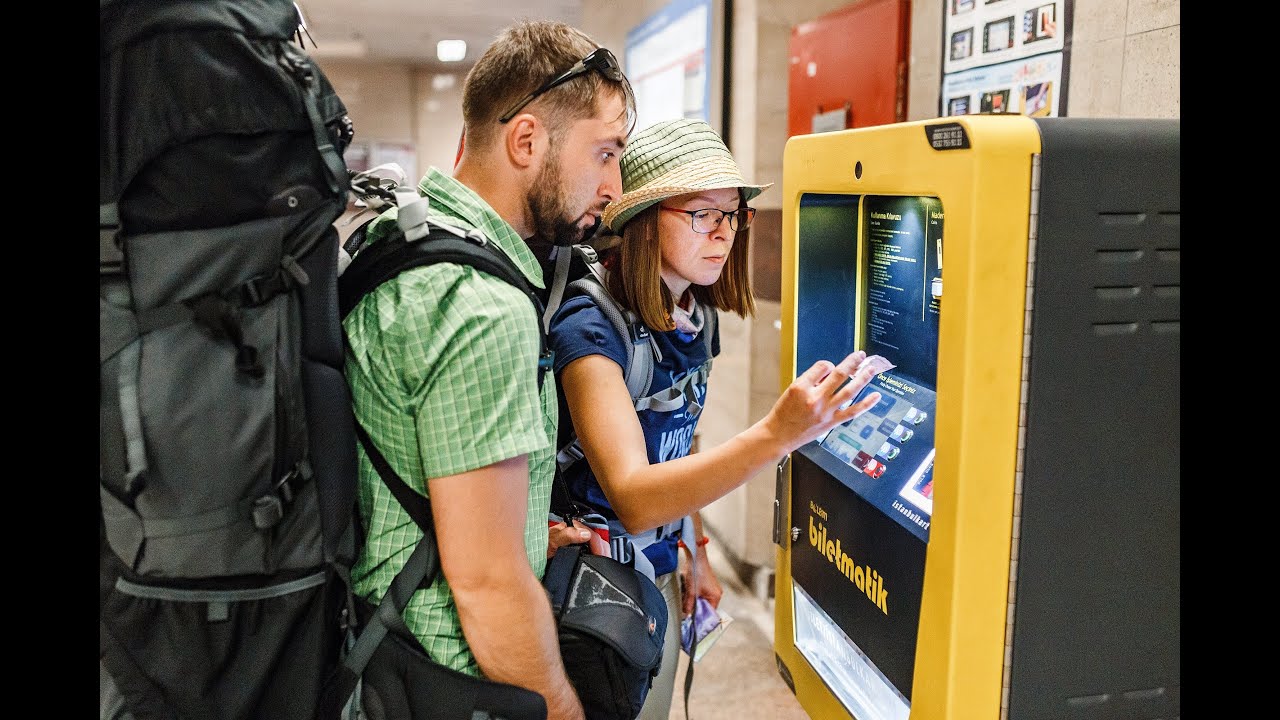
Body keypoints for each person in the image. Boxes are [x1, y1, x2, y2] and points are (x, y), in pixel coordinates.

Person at [342, 20, 635, 720]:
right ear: (527, 140)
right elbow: (486, 584)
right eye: (605, 154)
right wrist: (562, 710)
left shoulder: (402, 234)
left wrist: (527, 523)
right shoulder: (482, 307)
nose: (615, 187)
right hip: (444, 678)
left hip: (377, 645)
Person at [547, 117, 886, 720]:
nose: (724, 234)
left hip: (658, 567)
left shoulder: (694, 312)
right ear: (642, 219)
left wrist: (694, 549)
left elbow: (678, 449)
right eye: (702, 214)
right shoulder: (590, 329)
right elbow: (633, 494)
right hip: (590, 587)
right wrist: (777, 435)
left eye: (733, 216)